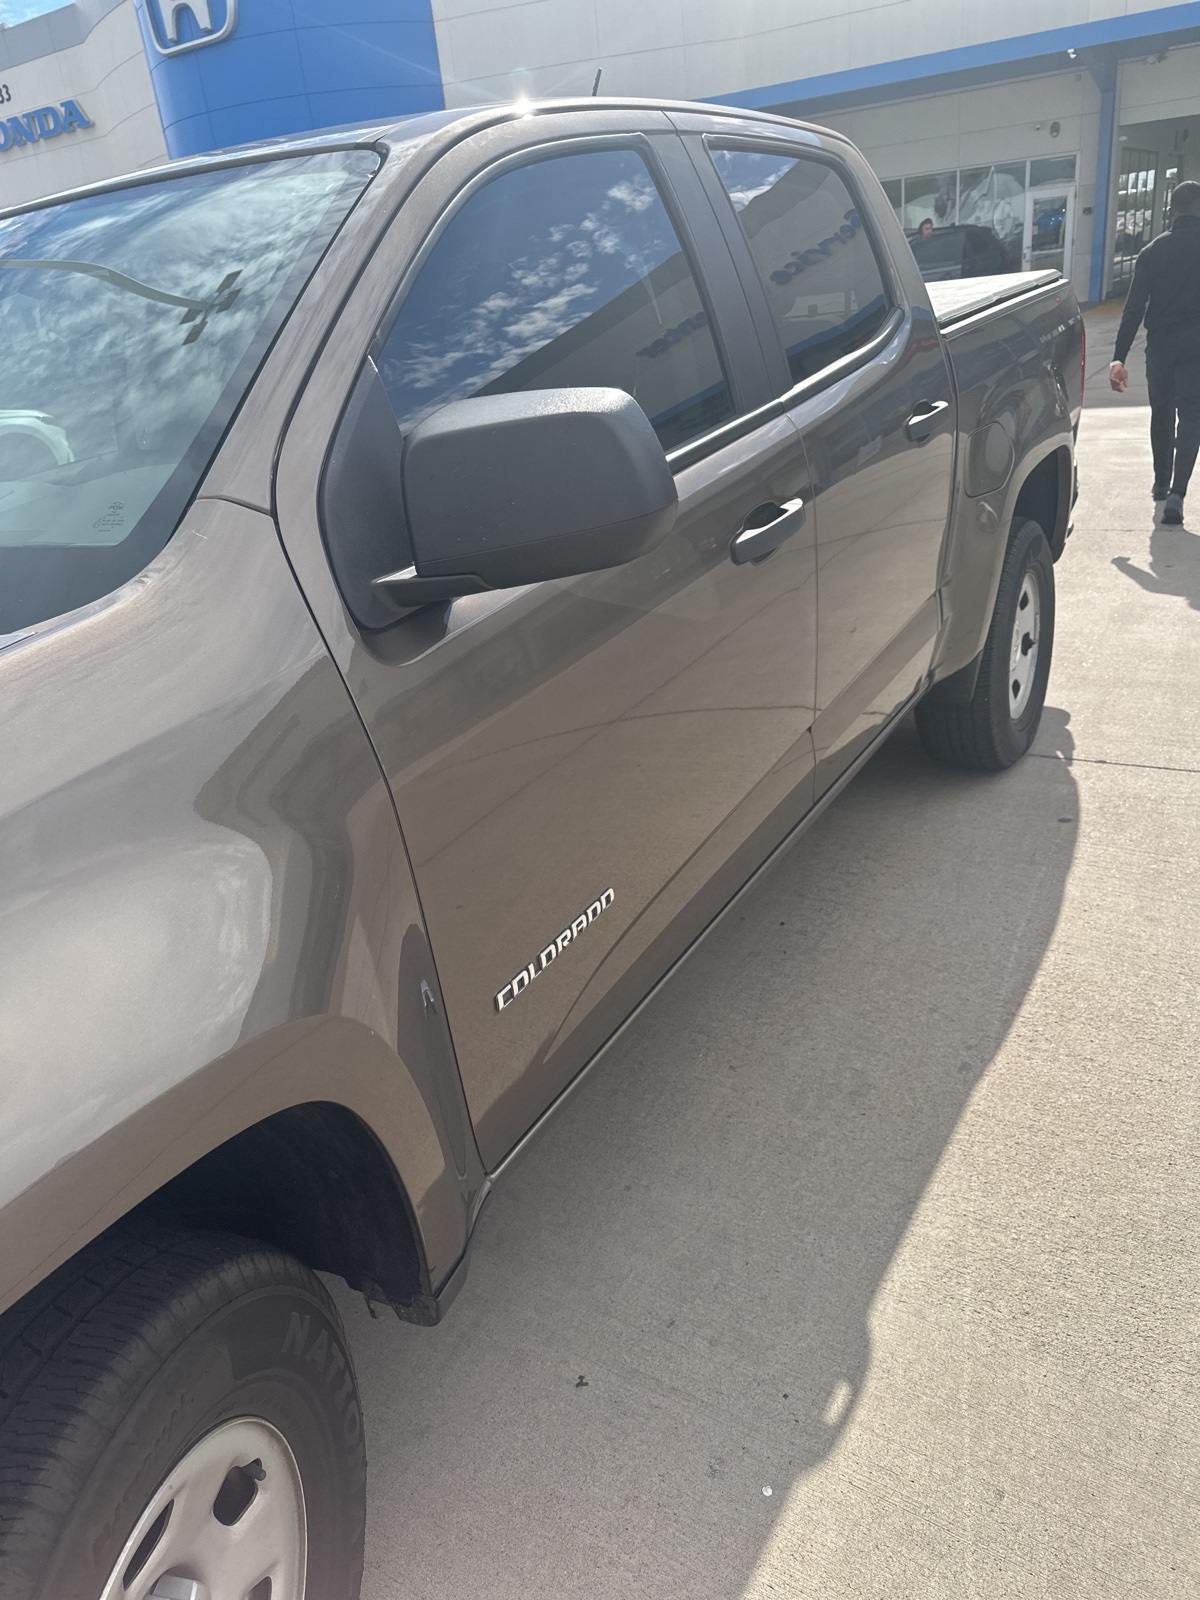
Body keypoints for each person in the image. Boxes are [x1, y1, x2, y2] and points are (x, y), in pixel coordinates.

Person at [1109, 179, 1200, 525]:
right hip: (1197, 345)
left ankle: (1161, 483)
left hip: (1161, 345)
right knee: (1191, 414)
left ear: (1172, 212)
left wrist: (1118, 357)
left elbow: (1133, 309)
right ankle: (1178, 493)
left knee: (1161, 412)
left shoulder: (1151, 252)